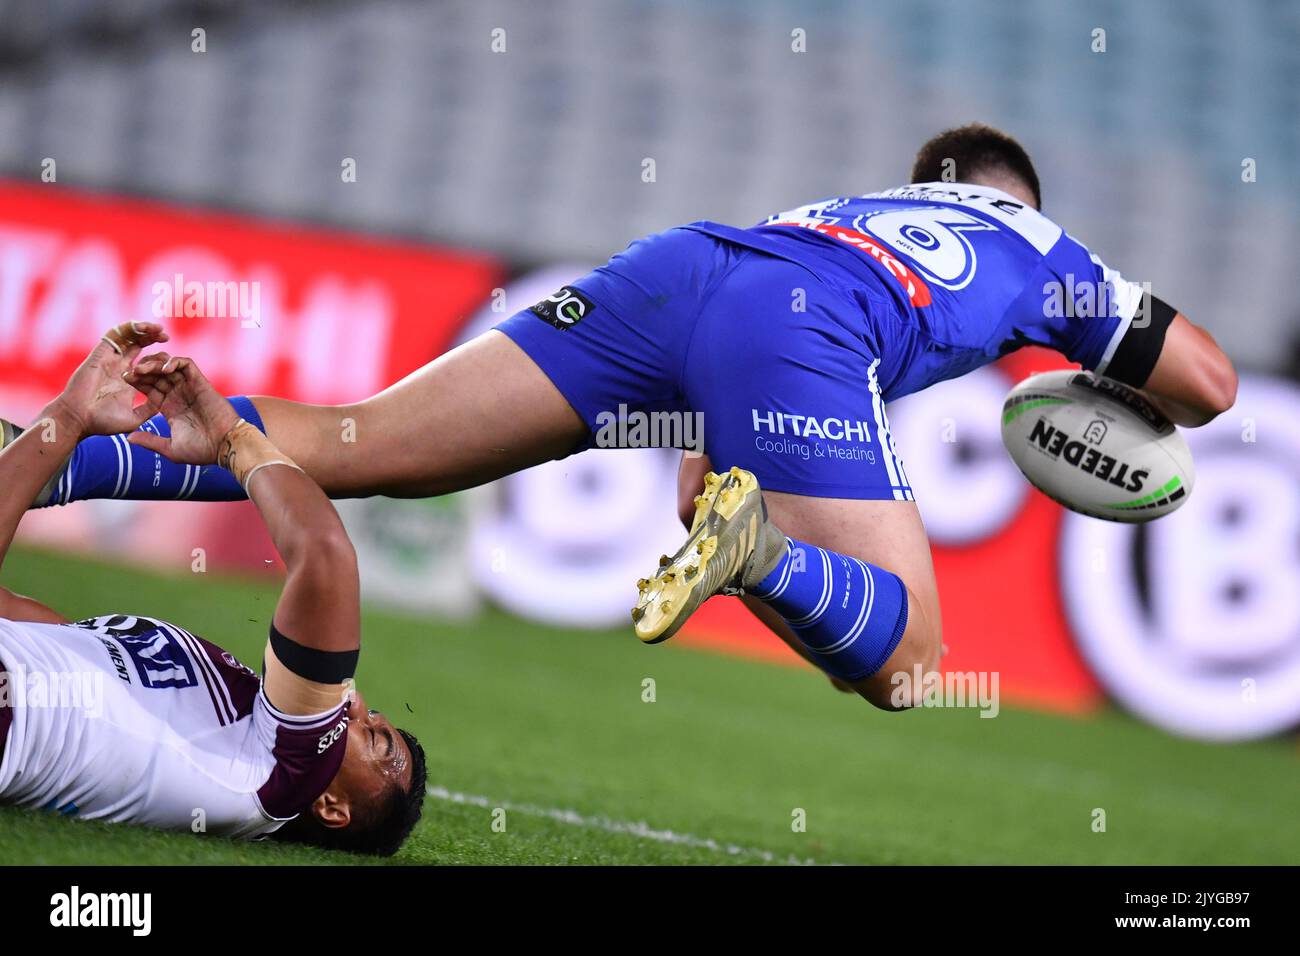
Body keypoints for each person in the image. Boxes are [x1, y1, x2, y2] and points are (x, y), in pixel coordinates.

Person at [8, 124, 1237, 708]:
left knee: (358, 442)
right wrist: (1108, 372)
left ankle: (53, 448)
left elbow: (719, 422)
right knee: (913, 661)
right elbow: (1211, 384)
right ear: (1015, 198)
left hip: (692, 266)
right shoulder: (1036, 243)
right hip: (797, 327)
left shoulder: (849, 205)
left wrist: (713, 508)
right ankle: (758, 556)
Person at [0, 322, 426, 854]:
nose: (359, 706)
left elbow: (326, 556)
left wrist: (234, 441)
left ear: (332, 807)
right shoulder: (231, 707)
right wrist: (65, 422)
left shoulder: (286, 775)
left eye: (378, 742)